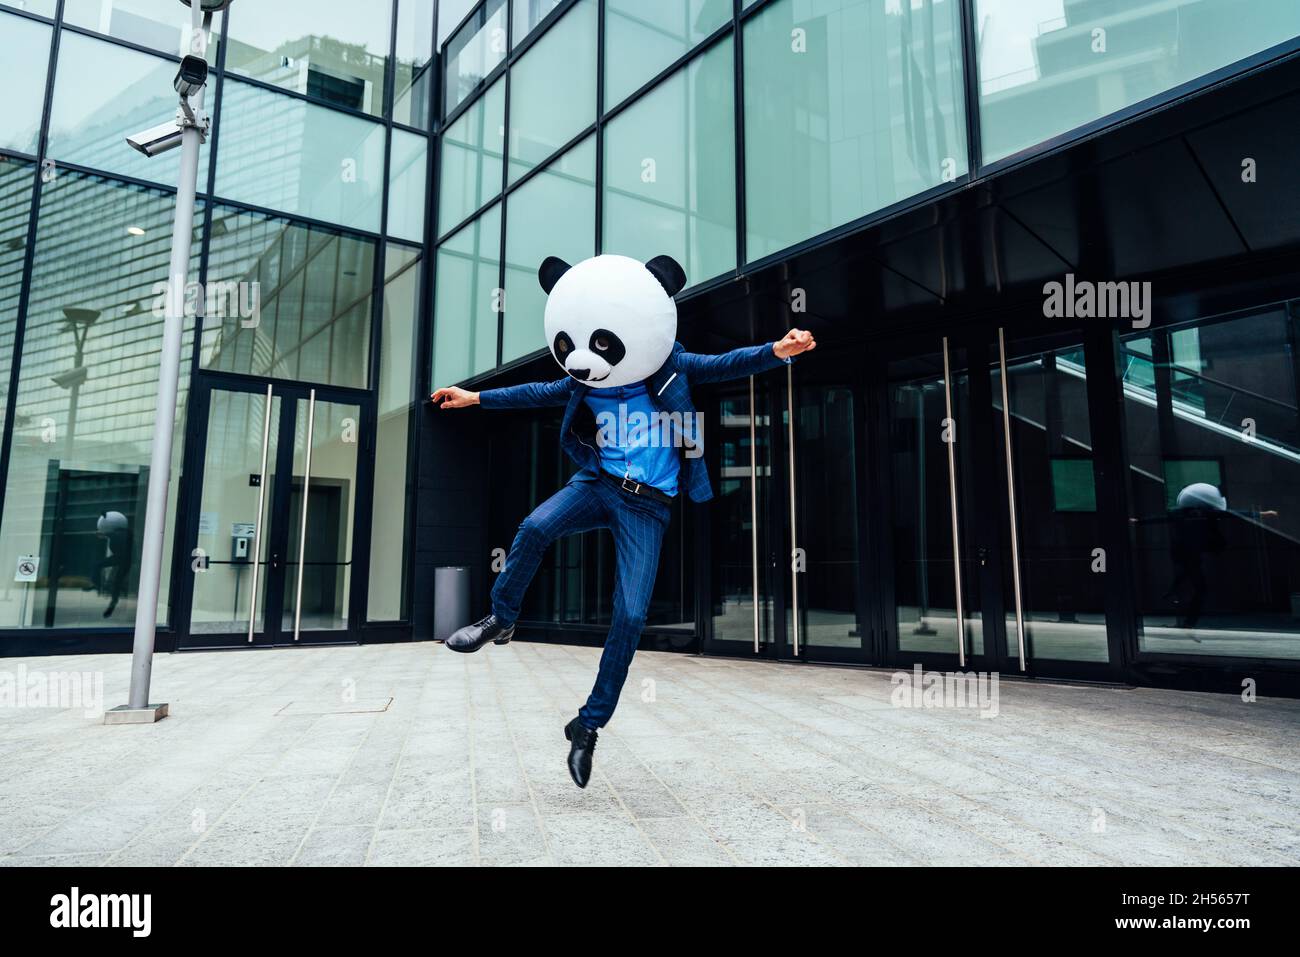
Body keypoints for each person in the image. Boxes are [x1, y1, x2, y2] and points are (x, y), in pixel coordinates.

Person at [431, 253, 816, 787]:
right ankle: (501, 617)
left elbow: (728, 362)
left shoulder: (671, 367)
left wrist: (778, 351)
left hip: (648, 504)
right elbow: (537, 392)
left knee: (631, 616)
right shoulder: (586, 380)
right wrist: (475, 397)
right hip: (599, 485)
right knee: (535, 527)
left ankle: (586, 727)